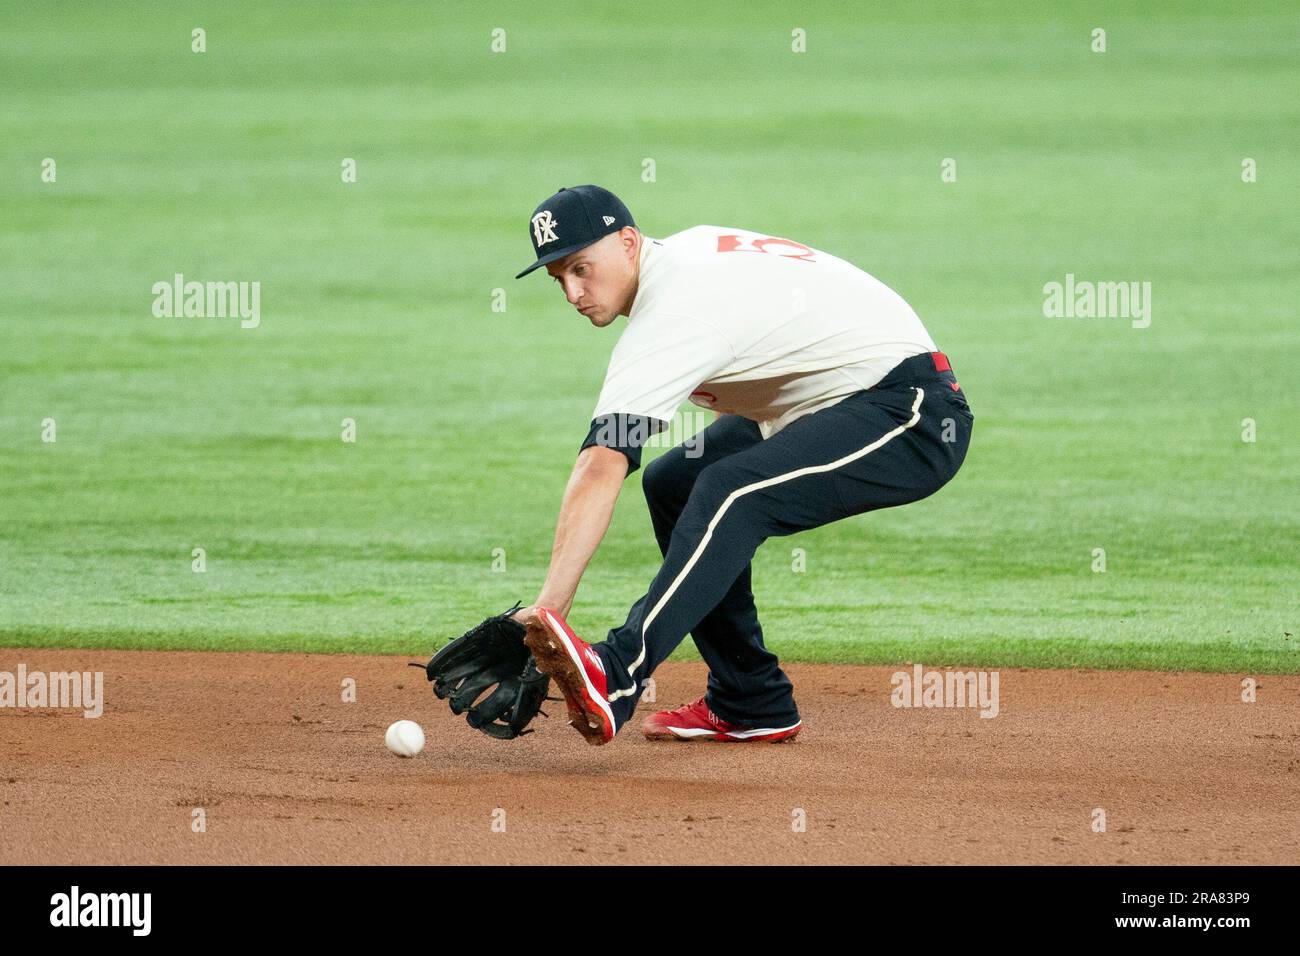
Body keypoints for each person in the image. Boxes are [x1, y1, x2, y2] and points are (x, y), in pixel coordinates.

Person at [510, 184, 973, 745]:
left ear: (628, 243)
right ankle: (750, 699)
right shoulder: (683, 259)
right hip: (827, 399)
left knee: (733, 492)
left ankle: (617, 671)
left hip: (911, 415)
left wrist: (547, 619)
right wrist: (547, 627)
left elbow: (601, 465)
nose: (572, 291)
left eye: (582, 267)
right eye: (560, 277)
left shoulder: (677, 309)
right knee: (674, 482)